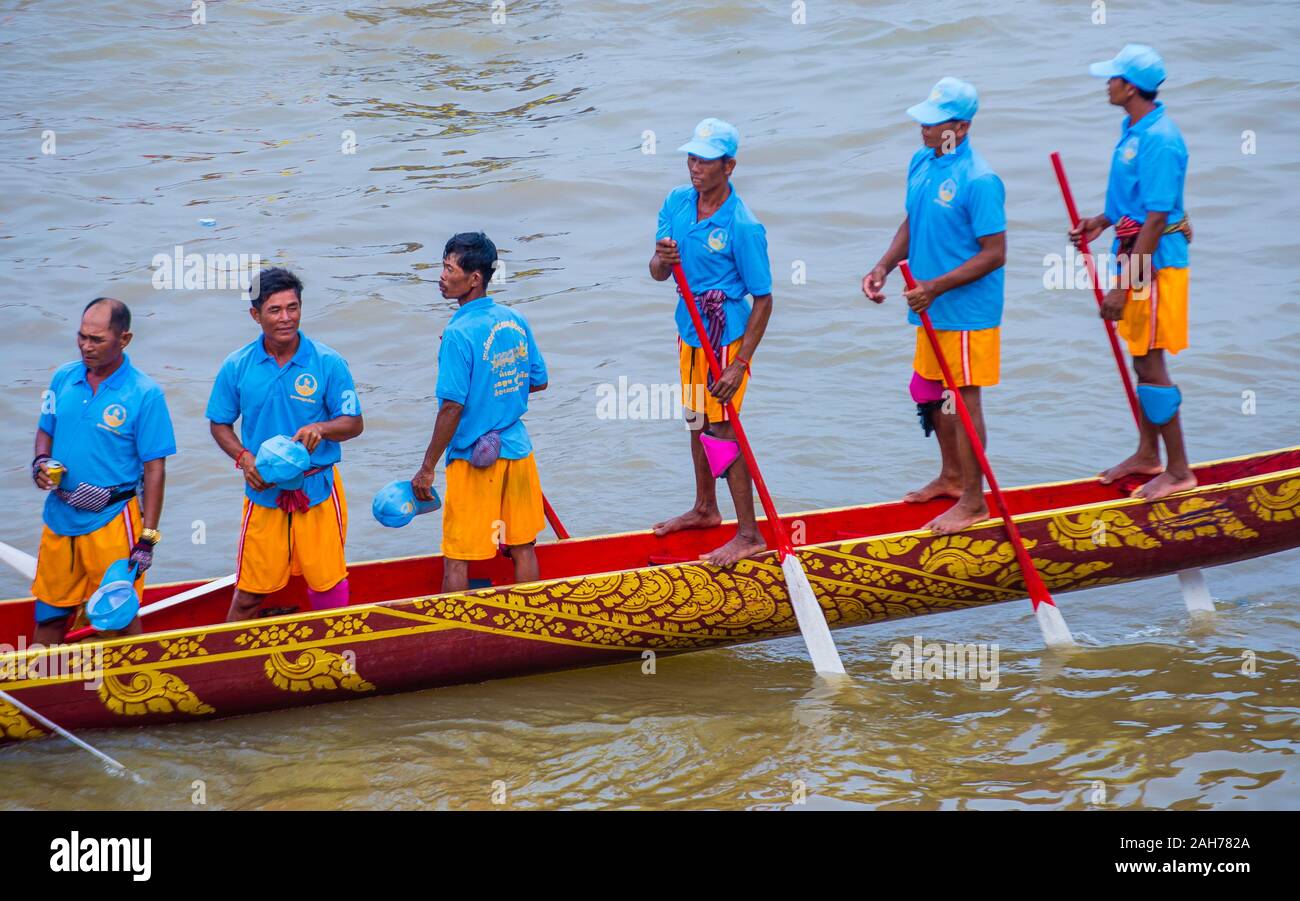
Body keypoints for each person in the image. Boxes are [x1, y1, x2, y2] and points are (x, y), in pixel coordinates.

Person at [862, 78, 1007, 533]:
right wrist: (885, 265)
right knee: (928, 391)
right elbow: (913, 219)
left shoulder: (980, 179)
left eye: (933, 121)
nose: (922, 127)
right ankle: (951, 476)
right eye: (922, 119)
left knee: (964, 400)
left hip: (966, 311)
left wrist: (937, 287)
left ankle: (973, 502)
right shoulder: (922, 162)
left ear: (960, 127)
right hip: (928, 306)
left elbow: (994, 252)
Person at [1070, 44, 1195, 501]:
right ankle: (1147, 454)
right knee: (1141, 355)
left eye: (1112, 78)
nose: (1107, 84)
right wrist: (1099, 222)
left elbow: (1158, 218)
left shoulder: (1160, 138)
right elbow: (1132, 203)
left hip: (1155, 263)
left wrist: (1124, 285)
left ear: (1130, 86)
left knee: (1151, 362)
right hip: (1133, 253)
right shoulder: (1133, 128)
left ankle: (1179, 470)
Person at [648, 117, 774, 566]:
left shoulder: (743, 226)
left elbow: (764, 300)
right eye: (691, 157)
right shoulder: (677, 203)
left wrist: (740, 362)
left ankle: (749, 534)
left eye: (705, 160)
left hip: (726, 336)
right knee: (696, 419)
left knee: (722, 428)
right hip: (689, 329)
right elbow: (658, 272)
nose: (694, 167)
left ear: (729, 166)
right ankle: (705, 508)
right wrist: (661, 260)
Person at [206, 268, 364, 620]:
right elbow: (219, 423)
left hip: (317, 488)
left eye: (293, 308)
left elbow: (353, 423)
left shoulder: (328, 362)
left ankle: (338, 661)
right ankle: (230, 666)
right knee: (248, 595)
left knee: (328, 589)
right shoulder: (237, 366)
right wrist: (244, 458)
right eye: (275, 310)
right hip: (263, 490)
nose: (286, 318)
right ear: (255, 315)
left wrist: (321, 428)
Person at [29, 298, 175, 643]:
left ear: (124, 339)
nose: (86, 347)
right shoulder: (63, 378)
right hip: (60, 517)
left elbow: (155, 469)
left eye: (97, 340)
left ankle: (136, 688)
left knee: (117, 619)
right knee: (49, 615)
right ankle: (35, 685)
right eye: (81, 337)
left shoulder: (145, 394)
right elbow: (44, 430)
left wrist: (148, 540)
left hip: (112, 521)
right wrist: (40, 462)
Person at [411, 233, 549, 592]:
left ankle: (454, 638)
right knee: (521, 546)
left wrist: (427, 468)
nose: (441, 276)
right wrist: (498, 389)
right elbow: (537, 380)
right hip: (517, 449)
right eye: (442, 266)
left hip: (474, 458)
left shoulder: (458, 332)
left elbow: (452, 406)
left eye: (448, 268)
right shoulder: (514, 319)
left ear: (475, 278)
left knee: (458, 555)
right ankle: (531, 624)